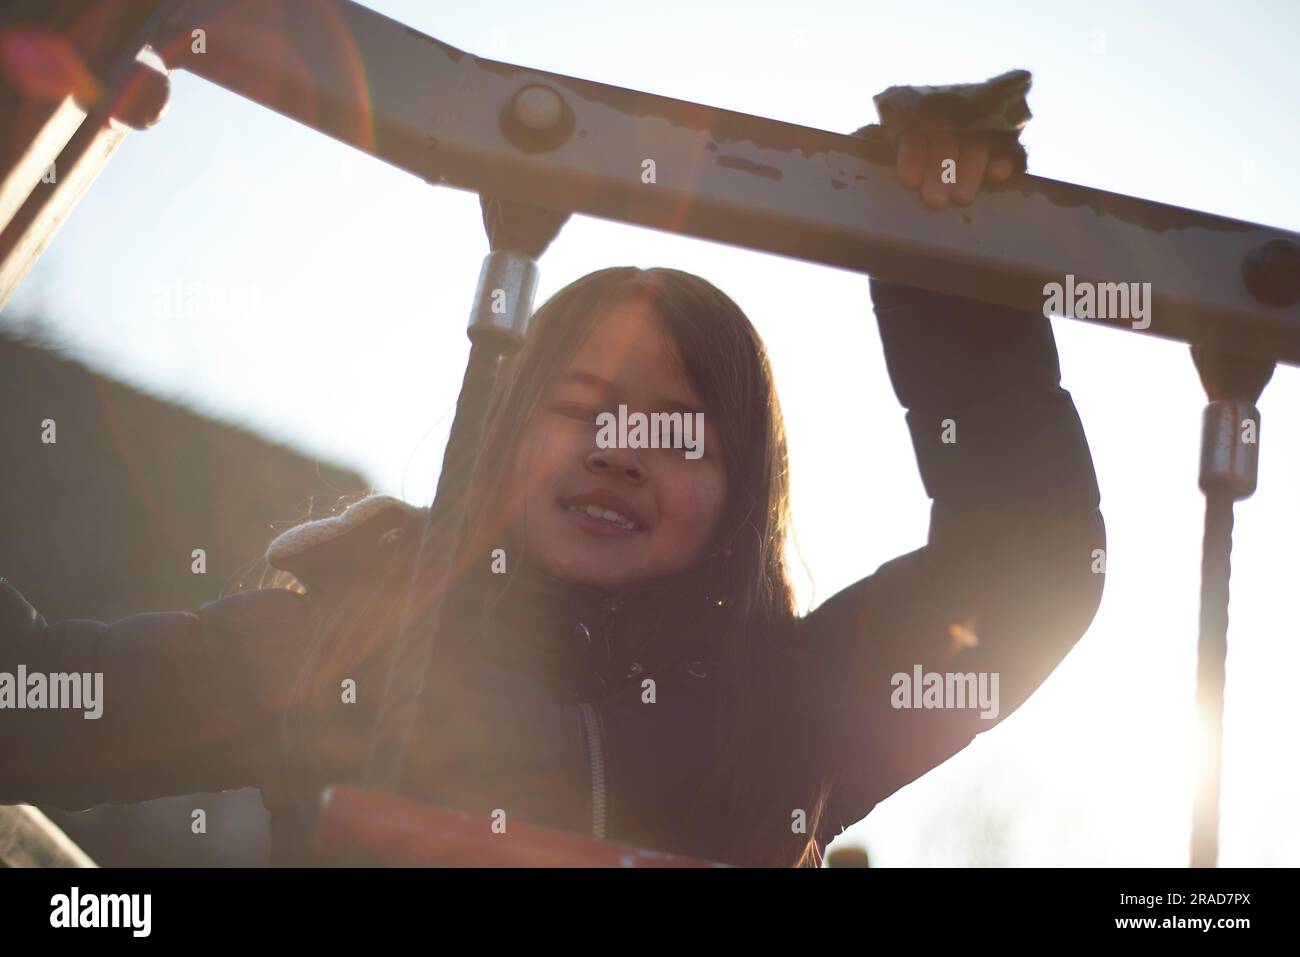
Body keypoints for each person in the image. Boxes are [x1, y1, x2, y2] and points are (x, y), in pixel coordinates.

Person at [0, 127, 1105, 868]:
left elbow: (1029, 567)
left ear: (740, 497)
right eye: (579, 409)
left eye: (676, 430)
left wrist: (950, 259)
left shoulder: (793, 706)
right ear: (500, 450)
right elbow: (37, 702)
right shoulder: (349, 645)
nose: (620, 451)